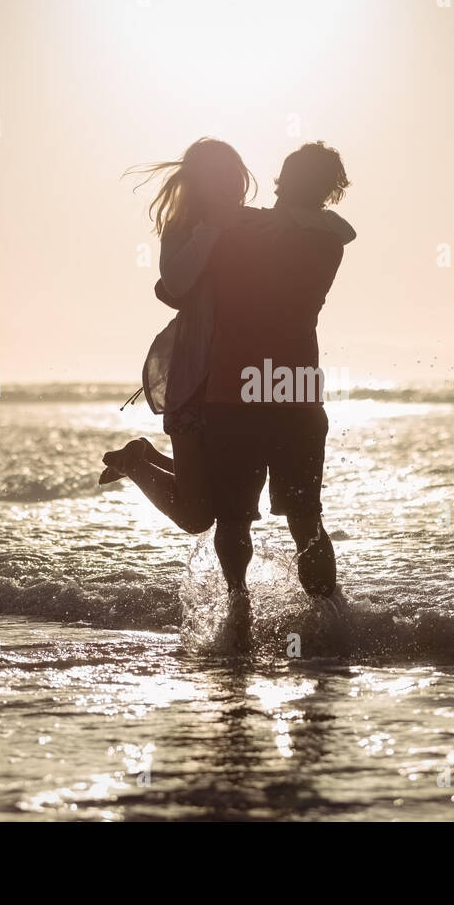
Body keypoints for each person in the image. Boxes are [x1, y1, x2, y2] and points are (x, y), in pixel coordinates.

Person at [102, 139, 354, 543]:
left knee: (220, 502)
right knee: (203, 514)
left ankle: (143, 459)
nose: (227, 187)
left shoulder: (258, 223)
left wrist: (291, 218)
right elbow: (174, 285)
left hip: (235, 380)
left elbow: (342, 228)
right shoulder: (192, 228)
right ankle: (138, 464)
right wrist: (212, 231)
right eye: (215, 178)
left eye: (232, 177)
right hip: (196, 376)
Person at [198, 142, 352, 613]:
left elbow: (171, 288)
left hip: (234, 386)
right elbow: (342, 228)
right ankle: (330, 619)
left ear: (283, 178)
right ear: (330, 191)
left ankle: (238, 606)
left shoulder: (246, 228)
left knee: (234, 518)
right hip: (295, 389)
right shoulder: (324, 237)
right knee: (305, 519)